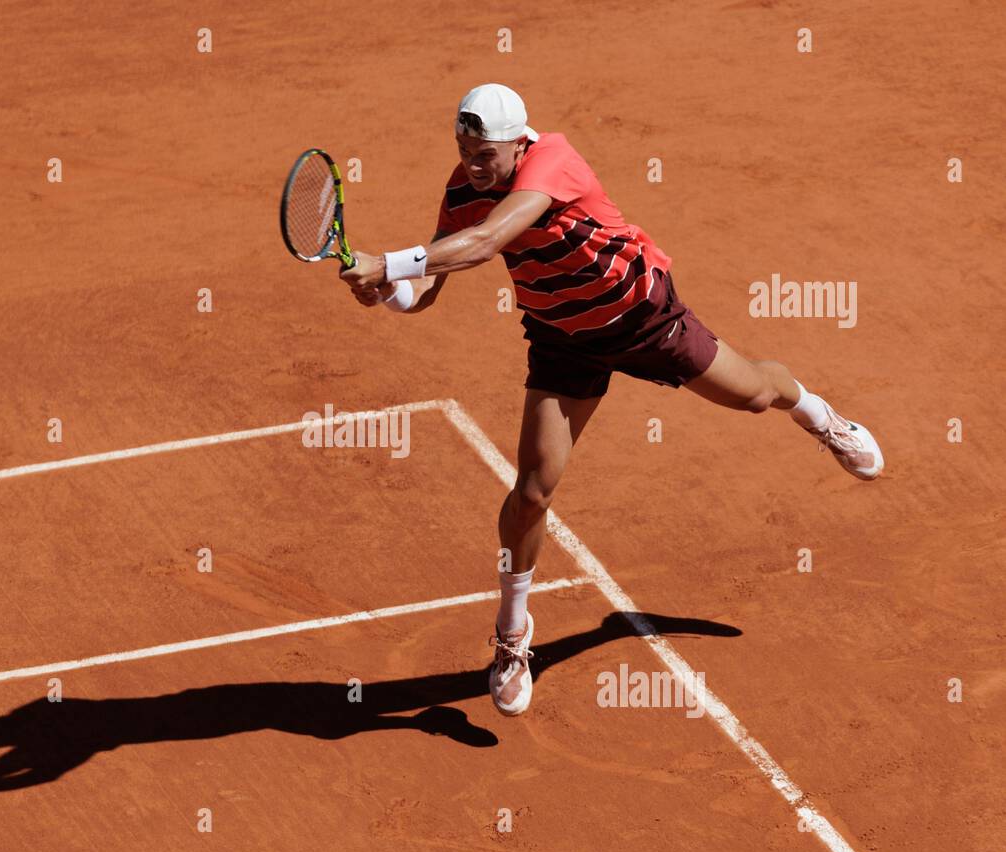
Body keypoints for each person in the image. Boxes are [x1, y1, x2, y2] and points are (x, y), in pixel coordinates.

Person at [338, 83, 884, 717]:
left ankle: (820, 416)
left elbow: (488, 242)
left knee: (758, 395)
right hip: (562, 342)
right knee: (533, 491)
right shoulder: (463, 191)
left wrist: (389, 263)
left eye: (485, 152)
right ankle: (513, 638)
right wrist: (388, 291)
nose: (472, 164)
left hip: (643, 319)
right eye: (463, 149)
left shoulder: (553, 161)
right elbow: (426, 285)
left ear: (519, 142)